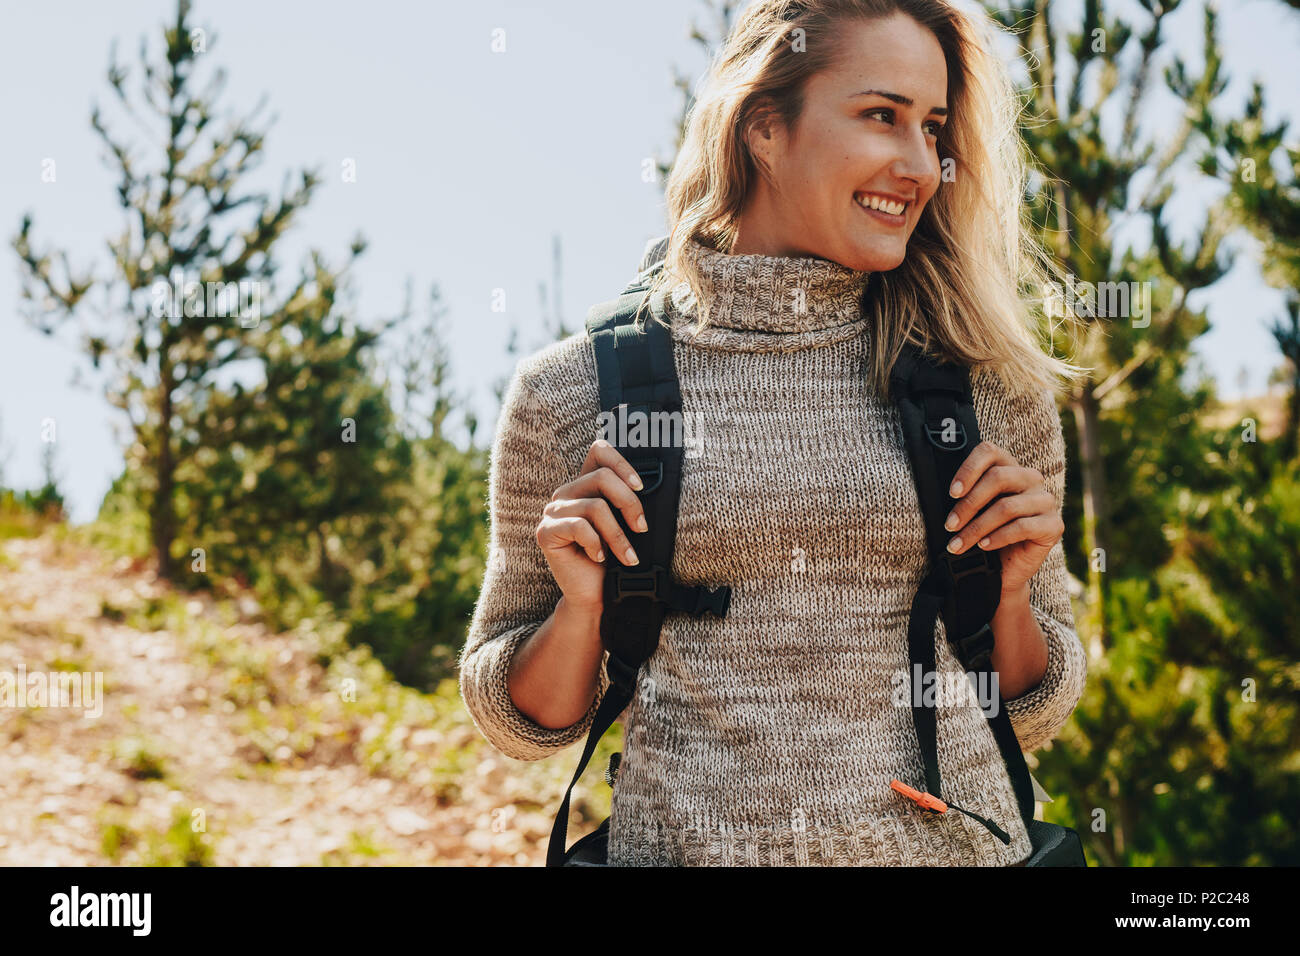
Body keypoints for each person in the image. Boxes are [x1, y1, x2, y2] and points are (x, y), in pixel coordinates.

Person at [459, 0, 1089, 866]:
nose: (920, 163)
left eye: (934, 127)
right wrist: (580, 609)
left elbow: (1033, 708)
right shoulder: (576, 392)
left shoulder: (985, 389)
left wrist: (1009, 594)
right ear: (763, 127)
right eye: (882, 116)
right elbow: (519, 722)